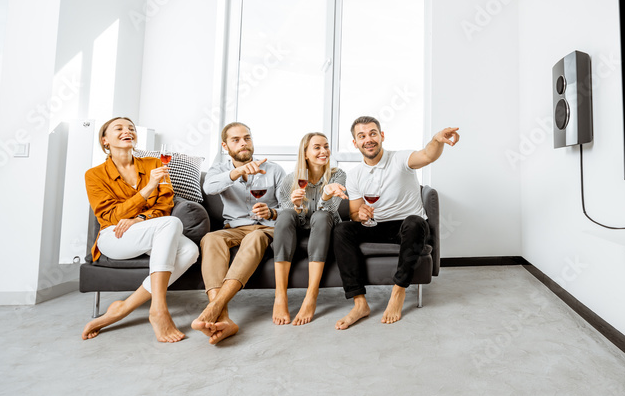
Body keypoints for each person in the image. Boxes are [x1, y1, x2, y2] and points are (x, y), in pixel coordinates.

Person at [333, 116, 460, 329]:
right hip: (377, 225)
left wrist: (437, 140)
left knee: (416, 222)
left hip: (406, 227)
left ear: (381, 136)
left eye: (373, 133)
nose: (368, 139)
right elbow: (354, 213)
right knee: (342, 230)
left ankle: (398, 291)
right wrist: (360, 214)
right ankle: (359, 303)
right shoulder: (354, 175)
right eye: (362, 136)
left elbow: (428, 155)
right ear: (355, 143)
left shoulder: (400, 159)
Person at [82, 117, 199, 343]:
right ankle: (158, 309)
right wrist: (146, 190)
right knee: (172, 224)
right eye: (119, 128)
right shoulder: (93, 175)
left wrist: (141, 218)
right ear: (105, 140)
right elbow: (110, 216)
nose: (128, 131)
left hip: (148, 228)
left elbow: (165, 204)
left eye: (131, 129)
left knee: (190, 251)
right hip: (114, 236)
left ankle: (124, 307)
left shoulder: (154, 165)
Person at [192, 122, 286, 344]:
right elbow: (210, 187)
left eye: (247, 138)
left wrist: (272, 212)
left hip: (265, 228)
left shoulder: (274, 170)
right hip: (234, 228)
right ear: (225, 146)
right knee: (210, 238)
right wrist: (237, 172)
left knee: (254, 237)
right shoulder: (219, 170)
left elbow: (290, 208)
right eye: (236, 140)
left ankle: (213, 307)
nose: (243, 143)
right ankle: (223, 318)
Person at [272, 132, 347, 325]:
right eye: (317, 147)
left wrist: (325, 196)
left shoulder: (337, 175)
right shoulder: (290, 180)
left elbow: (330, 211)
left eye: (326, 146)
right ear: (305, 153)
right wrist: (296, 206)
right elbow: (290, 218)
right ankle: (280, 296)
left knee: (321, 216)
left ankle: (311, 296)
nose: (324, 151)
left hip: (325, 226)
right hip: (298, 227)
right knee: (285, 214)